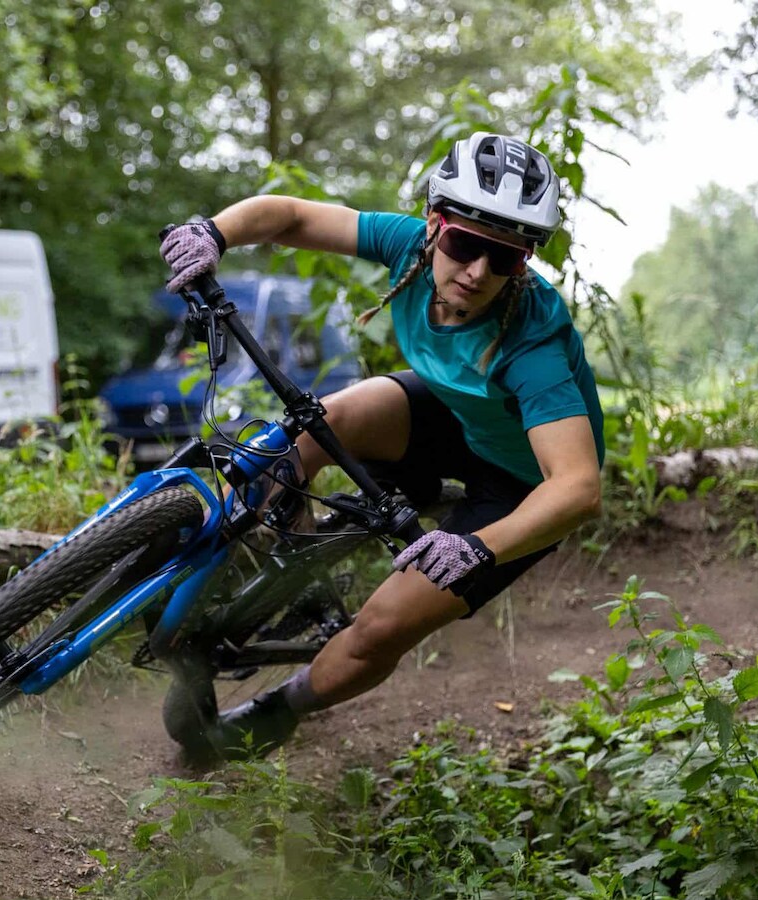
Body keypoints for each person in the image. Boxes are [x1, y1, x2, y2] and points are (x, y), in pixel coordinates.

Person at [157, 132, 605, 757]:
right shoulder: (408, 247)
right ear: (434, 225)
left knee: (380, 628)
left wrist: (477, 545)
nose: (477, 272)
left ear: (524, 262)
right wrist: (216, 232)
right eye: (465, 244)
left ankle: (267, 715)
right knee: (327, 417)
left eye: (503, 259)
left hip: (525, 486)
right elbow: (292, 217)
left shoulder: (535, 345)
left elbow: (579, 488)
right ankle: (273, 557)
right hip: (461, 415)